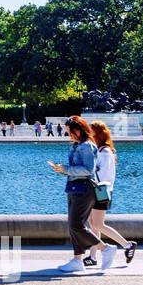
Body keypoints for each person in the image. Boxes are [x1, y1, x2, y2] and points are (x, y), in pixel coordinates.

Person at [48, 115, 103, 273]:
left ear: (79, 130)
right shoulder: (77, 145)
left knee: (76, 225)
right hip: (75, 187)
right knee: (73, 226)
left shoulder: (86, 146)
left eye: (71, 131)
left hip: (84, 188)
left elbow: (87, 170)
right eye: (67, 132)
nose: (69, 135)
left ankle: (105, 248)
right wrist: (61, 169)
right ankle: (77, 260)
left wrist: (65, 168)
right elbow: (75, 169)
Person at [83, 122, 137, 268]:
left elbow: (105, 175)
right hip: (97, 190)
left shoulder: (105, 151)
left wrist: (90, 173)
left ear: (97, 134)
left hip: (102, 191)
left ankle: (127, 245)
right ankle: (93, 256)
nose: (88, 134)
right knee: (93, 224)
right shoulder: (100, 150)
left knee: (98, 224)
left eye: (91, 132)